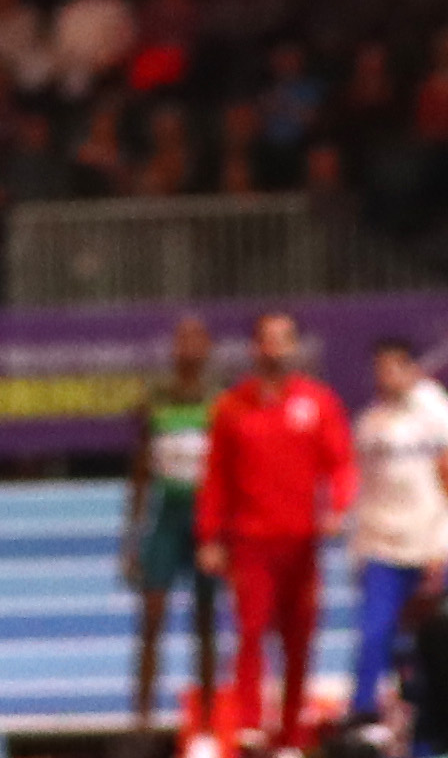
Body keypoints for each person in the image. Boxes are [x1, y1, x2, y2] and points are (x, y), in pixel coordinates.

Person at [199, 311, 353, 758]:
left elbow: (340, 463)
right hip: (251, 541)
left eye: (283, 340)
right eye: (268, 340)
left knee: (299, 637)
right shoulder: (231, 408)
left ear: (294, 346)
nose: (275, 349)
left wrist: (338, 508)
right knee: (249, 632)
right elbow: (216, 479)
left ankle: (291, 734)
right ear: (254, 347)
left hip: (302, 543)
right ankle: (250, 725)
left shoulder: (317, 402)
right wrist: (210, 536)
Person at [343, 338, 448, 739]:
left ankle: (439, 724)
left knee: (435, 644)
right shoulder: (369, 424)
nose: (385, 376)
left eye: (393, 367)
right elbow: (363, 491)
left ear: (413, 368)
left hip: (430, 546)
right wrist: (359, 547)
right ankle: (365, 718)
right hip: (383, 547)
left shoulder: (443, 416)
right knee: (374, 633)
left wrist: (446, 545)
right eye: (379, 368)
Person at [123, 316, 224, 739]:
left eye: (196, 340)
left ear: (207, 350)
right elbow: (141, 471)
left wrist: (226, 533)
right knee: (151, 616)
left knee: (205, 619)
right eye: (180, 340)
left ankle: (205, 720)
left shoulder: (222, 403)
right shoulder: (155, 401)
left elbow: (230, 470)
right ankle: (142, 719)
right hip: (166, 515)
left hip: (206, 518)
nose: (188, 349)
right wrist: (131, 537)